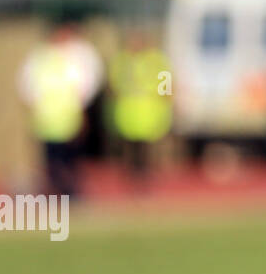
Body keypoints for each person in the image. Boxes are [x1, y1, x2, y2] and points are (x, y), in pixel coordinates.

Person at [17, 22, 104, 198]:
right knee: (52, 160)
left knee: (71, 159)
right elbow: (27, 86)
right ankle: (57, 191)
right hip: (47, 120)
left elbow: (85, 86)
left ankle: (70, 192)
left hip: (68, 119)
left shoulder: (75, 58)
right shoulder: (39, 59)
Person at [108, 29, 173, 183]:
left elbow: (166, 85)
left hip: (149, 112)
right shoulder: (122, 60)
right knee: (130, 148)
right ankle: (132, 175)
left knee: (147, 149)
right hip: (128, 113)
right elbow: (113, 86)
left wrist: (165, 103)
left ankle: (145, 176)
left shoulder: (156, 59)